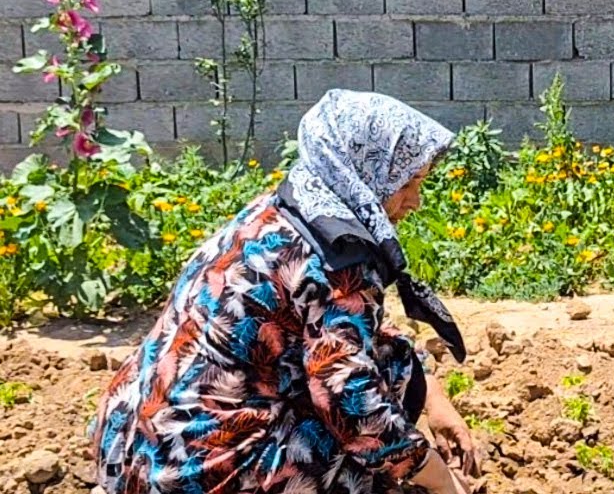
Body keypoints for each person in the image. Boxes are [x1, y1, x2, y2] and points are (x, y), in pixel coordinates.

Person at [91, 90, 480, 494]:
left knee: (393, 361)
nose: (415, 201)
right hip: (193, 474)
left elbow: (351, 341)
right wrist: (437, 478)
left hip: (131, 441)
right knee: (352, 442)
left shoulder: (278, 212)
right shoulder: (340, 259)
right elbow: (353, 403)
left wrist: (430, 392)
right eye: (408, 183)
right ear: (369, 170)